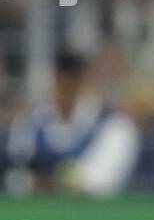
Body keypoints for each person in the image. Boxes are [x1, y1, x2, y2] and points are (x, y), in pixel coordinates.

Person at [7, 50, 139, 197]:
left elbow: (100, 183)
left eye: (73, 81)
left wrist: (48, 182)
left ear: (85, 81)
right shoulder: (30, 122)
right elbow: (18, 178)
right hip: (40, 214)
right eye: (60, 82)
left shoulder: (115, 126)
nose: (66, 90)